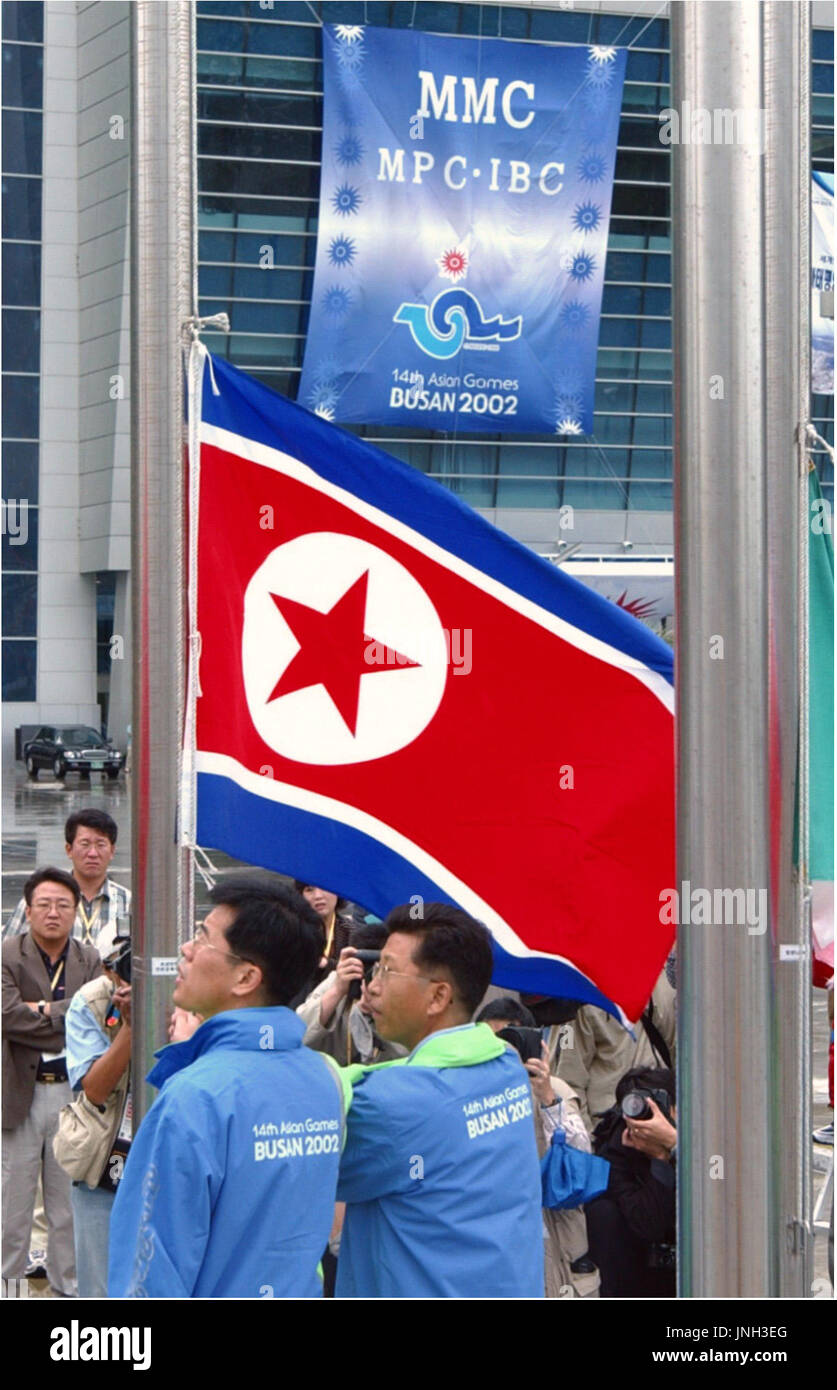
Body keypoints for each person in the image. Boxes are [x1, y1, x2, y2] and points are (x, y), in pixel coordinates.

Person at [108, 874, 348, 1298]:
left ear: (246, 978)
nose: (187, 949)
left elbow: (148, 1270)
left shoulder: (195, 1096)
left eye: (203, 937)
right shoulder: (323, 1077)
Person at [335, 904, 544, 1298]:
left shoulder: (393, 1105)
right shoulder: (506, 1066)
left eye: (387, 971)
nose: (371, 986)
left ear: (437, 996)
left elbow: (292, 1152)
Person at [2, 868, 102, 1297]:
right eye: (43, 904)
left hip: (72, 1095)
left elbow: (97, 1018)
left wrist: (39, 1010)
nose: (53, 912)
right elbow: (7, 1016)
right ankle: (9, 1291)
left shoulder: (89, 958)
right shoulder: (7, 954)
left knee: (67, 1208)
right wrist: (66, 1014)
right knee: (12, 1208)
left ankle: (68, 1292)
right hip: (19, 1094)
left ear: (76, 911)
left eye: (63, 904)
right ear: (28, 911)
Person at [477, 996, 600, 1298]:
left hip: (556, 1258)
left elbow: (579, 1168)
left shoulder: (554, 1091)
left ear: (533, 1043)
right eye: (490, 1043)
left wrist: (546, 1098)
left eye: (510, 1040)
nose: (501, 1052)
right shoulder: (470, 1096)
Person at [62, 935, 132, 1297]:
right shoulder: (91, 1001)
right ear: (108, 969)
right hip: (105, 1155)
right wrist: (131, 1026)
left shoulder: (191, 994)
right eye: (123, 964)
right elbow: (94, 1089)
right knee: (100, 1284)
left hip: (167, 1151)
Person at [585, 1066, 677, 1297]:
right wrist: (659, 1159)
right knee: (602, 1213)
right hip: (637, 1273)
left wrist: (675, 1144)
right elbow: (649, 1224)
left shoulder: (701, 1137)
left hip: (697, 1262)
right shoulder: (618, 1145)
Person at [554, 971, 676, 1133]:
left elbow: (567, 1078)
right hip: (628, 1127)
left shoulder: (673, 980)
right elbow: (568, 1078)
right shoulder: (673, 981)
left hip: (648, 1125)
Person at [3, 809, 130, 958]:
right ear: (69, 850)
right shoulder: (39, 899)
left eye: (100, 844)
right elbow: (5, 956)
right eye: (85, 844)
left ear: (112, 851)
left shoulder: (129, 903)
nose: (93, 853)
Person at [298, 924, 407, 1066]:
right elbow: (298, 1033)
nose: (372, 980)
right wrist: (337, 990)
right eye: (368, 967)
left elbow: (408, 1054)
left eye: (381, 969)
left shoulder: (403, 987)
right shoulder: (340, 980)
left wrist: (380, 1015)